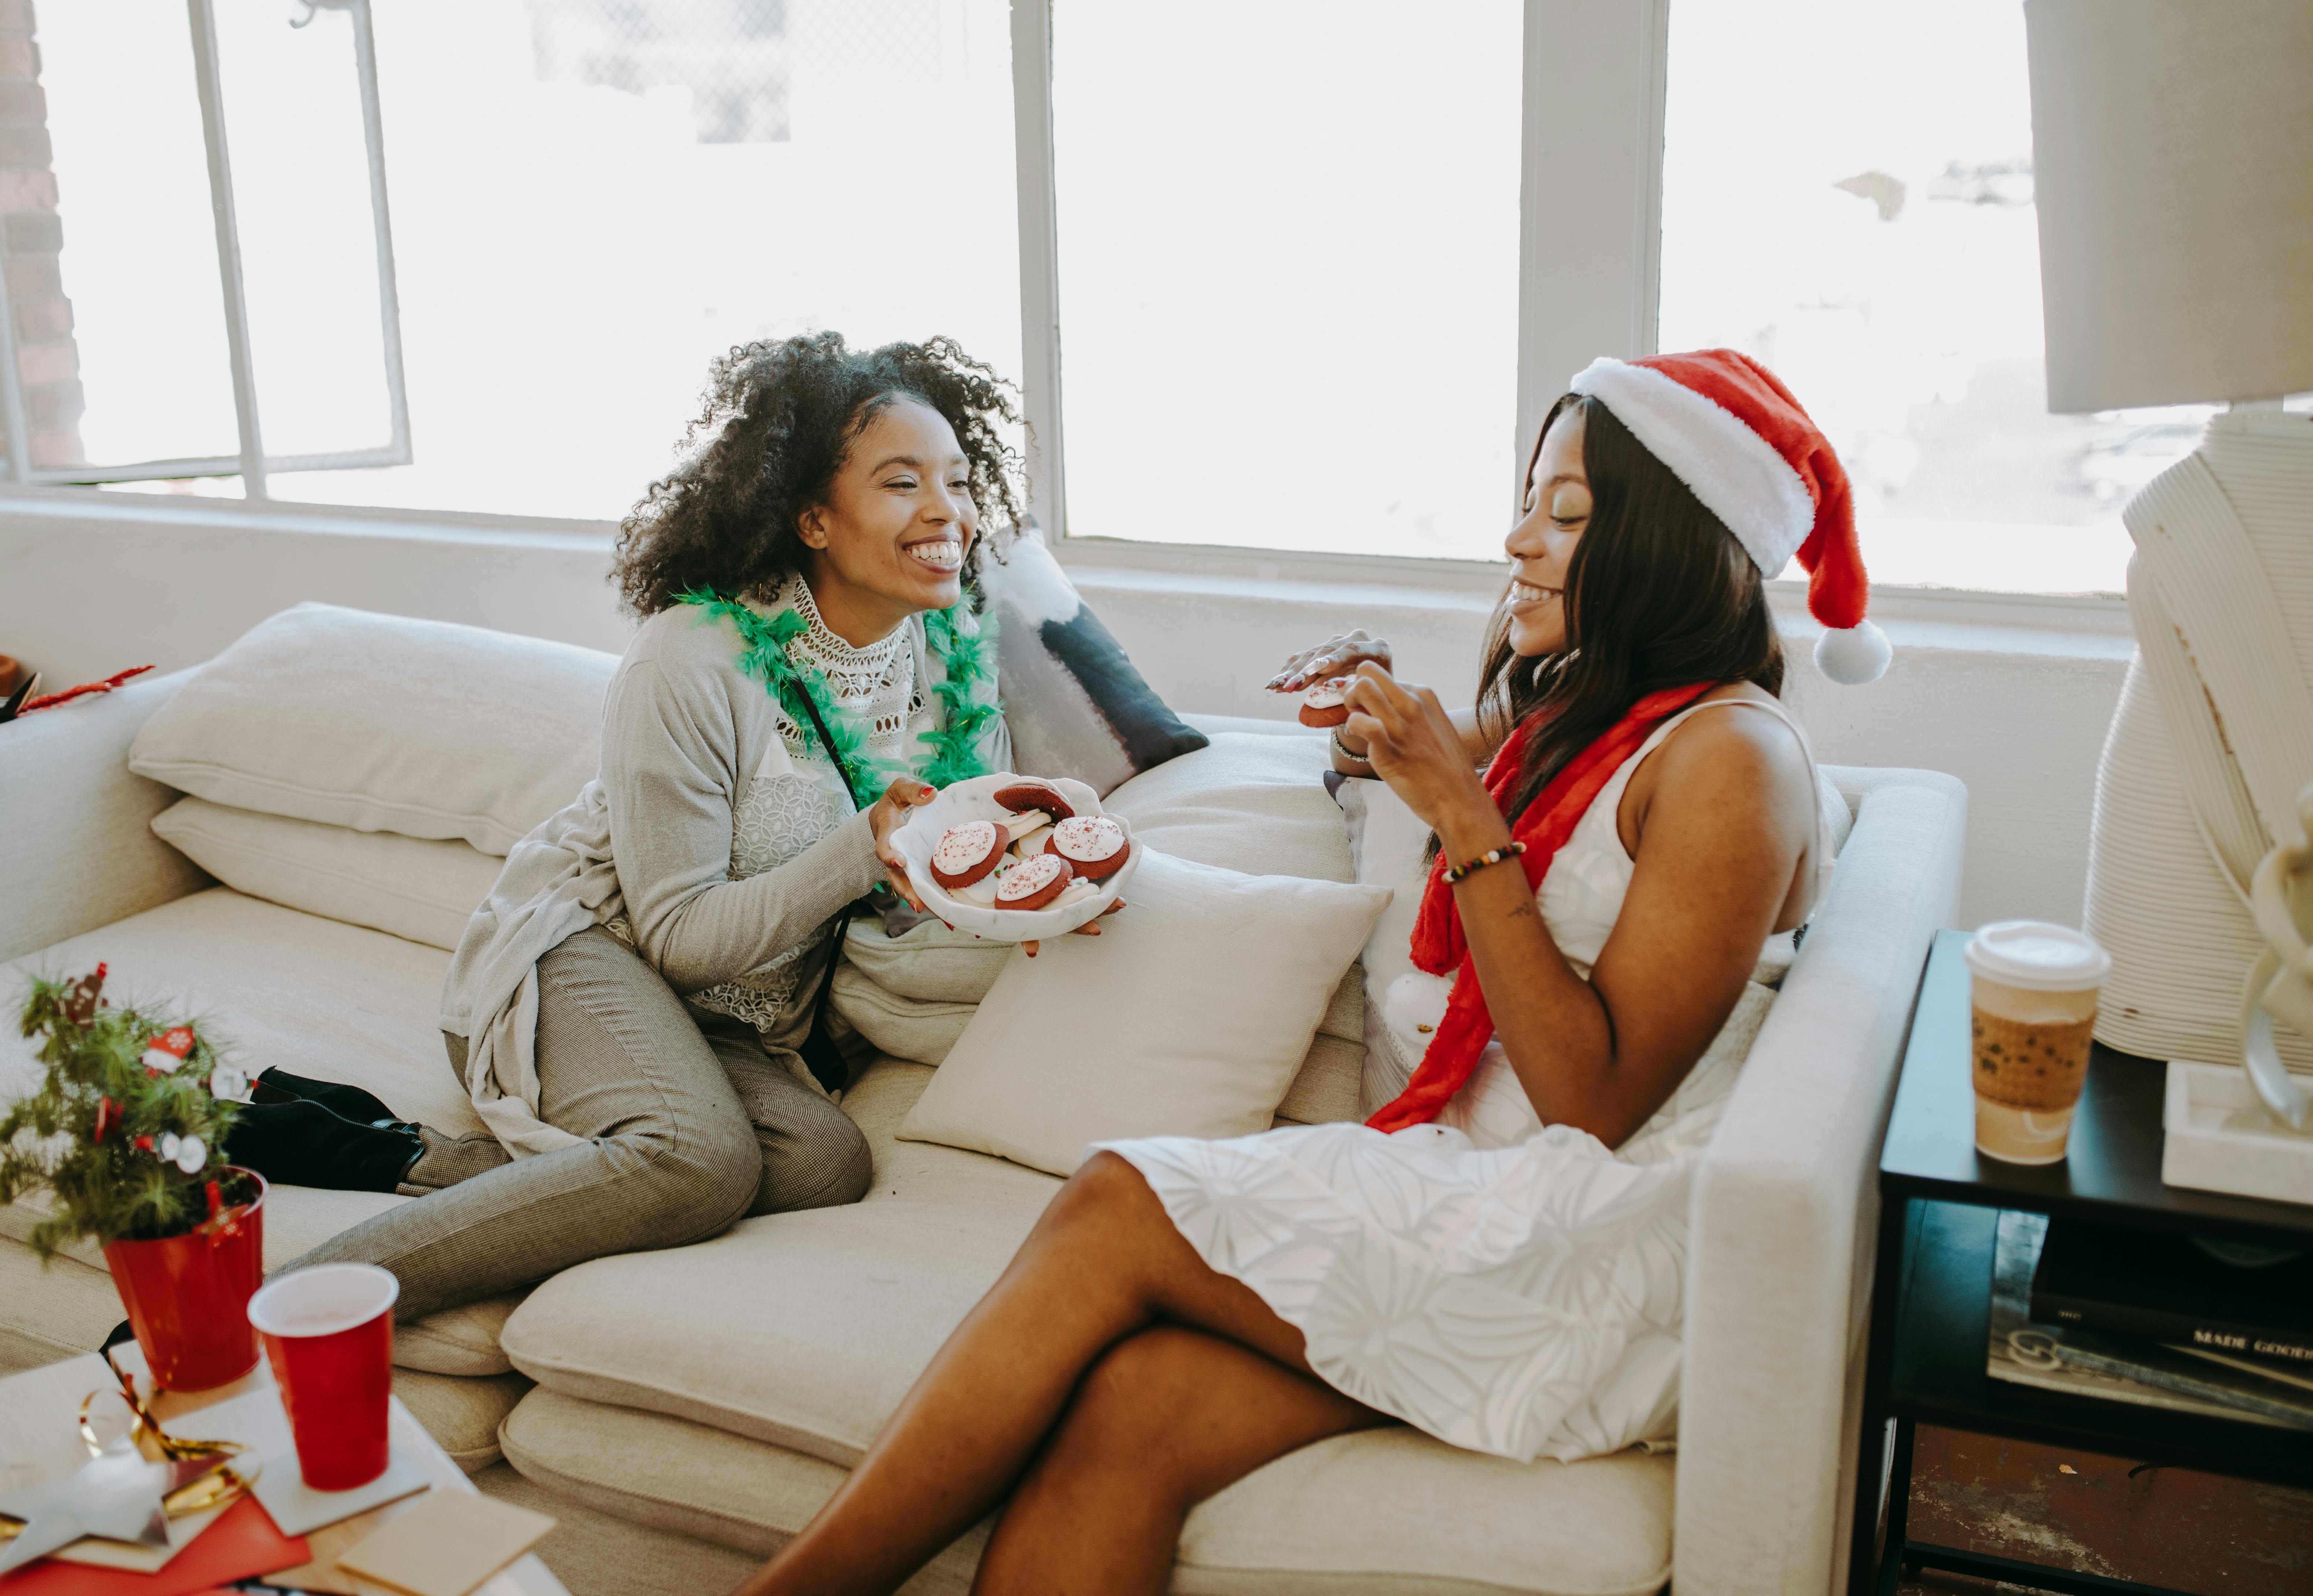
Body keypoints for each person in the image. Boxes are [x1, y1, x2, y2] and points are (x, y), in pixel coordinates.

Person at [734, 349, 1893, 1596]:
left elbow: (1596, 1100)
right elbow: (1453, 822)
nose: (1519, 541)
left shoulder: (1732, 759)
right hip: (1483, 1177)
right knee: (1136, 1405)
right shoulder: (1583, 714)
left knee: (1121, 1196)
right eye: (1530, 502)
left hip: (1607, 1230)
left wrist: (1459, 813)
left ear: (1670, 545)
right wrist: (1380, 746)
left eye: (1566, 516)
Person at [247, 333, 1059, 1321]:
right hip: (589, 947)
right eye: (902, 483)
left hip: (743, 1016)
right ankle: (275, 1315)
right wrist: (863, 851)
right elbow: (675, 935)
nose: (949, 513)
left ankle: (383, 1150)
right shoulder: (693, 658)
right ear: (811, 516)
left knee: (823, 1163)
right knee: (701, 1161)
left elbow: (940, 872)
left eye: (962, 482)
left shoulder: (949, 661)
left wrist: (1040, 893)